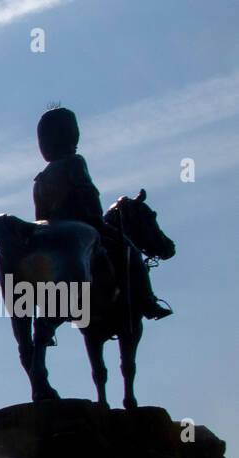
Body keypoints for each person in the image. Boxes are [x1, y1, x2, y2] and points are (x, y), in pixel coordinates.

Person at [33, 107, 171, 319]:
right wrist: (98, 219)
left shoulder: (40, 179)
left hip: (51, 232)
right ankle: (148, 301)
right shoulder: (76, 163)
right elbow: (88, 193)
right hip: (87, 225)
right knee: (130, 250)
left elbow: (40, 217)